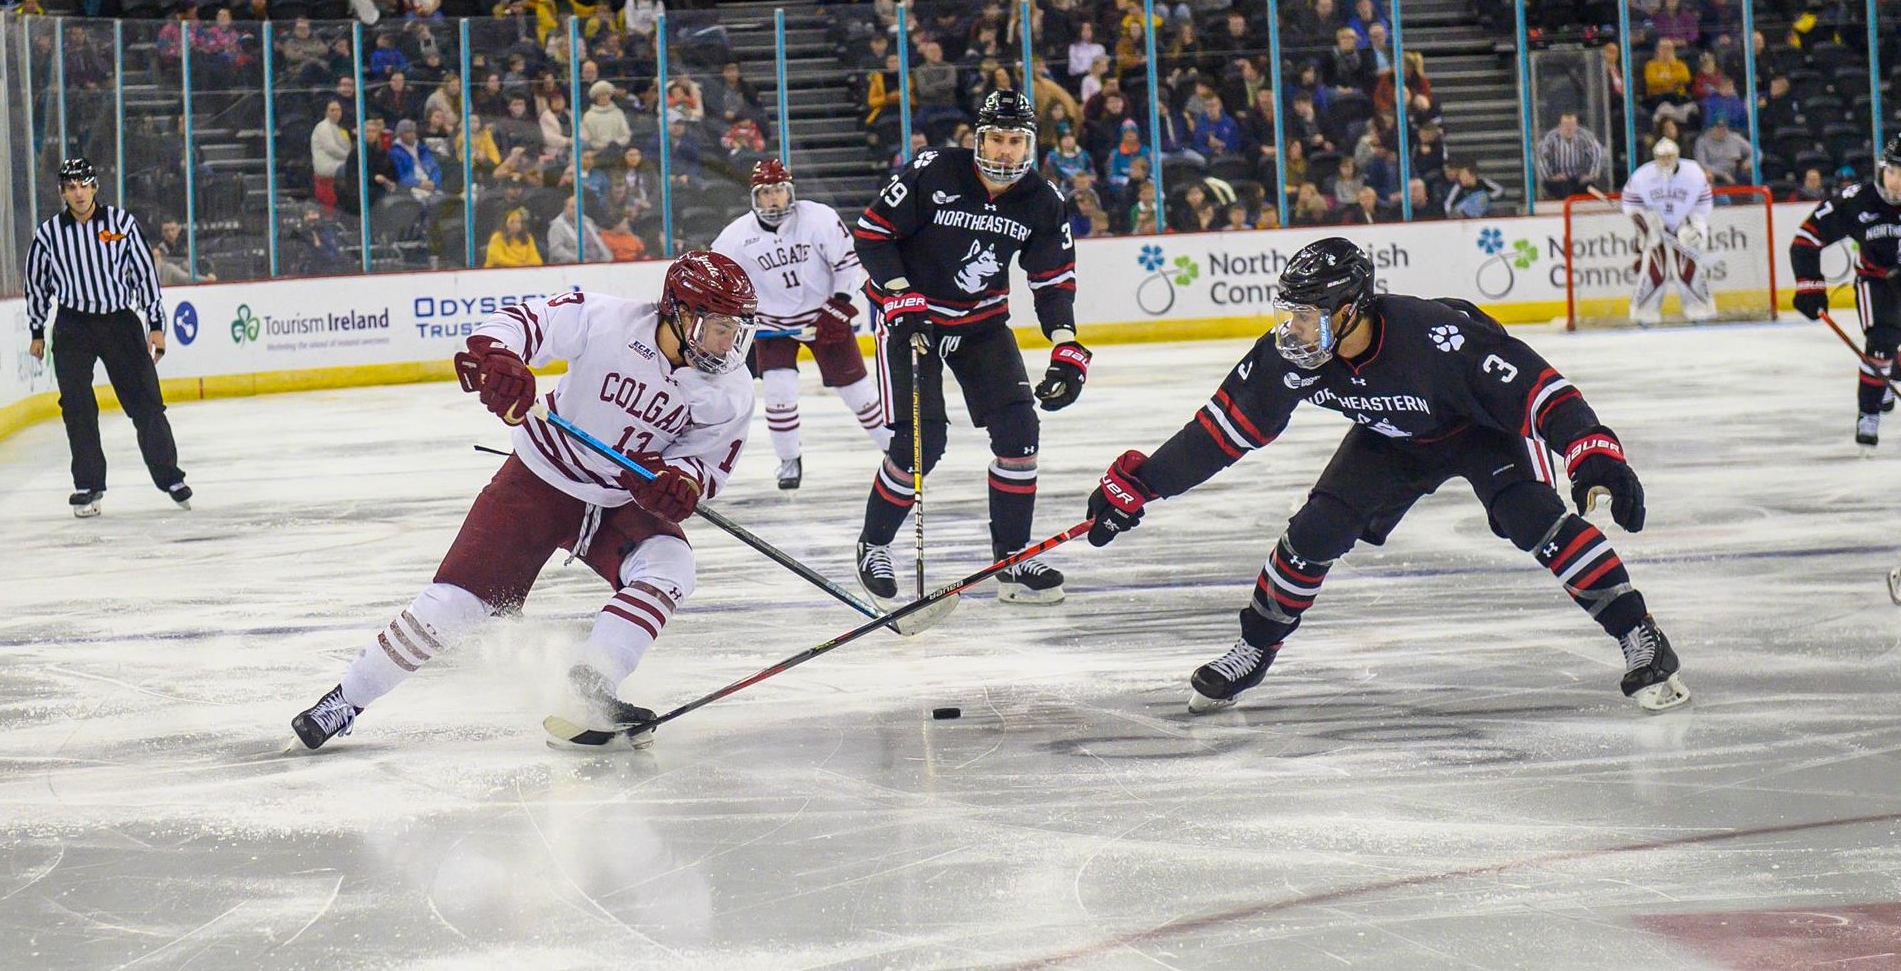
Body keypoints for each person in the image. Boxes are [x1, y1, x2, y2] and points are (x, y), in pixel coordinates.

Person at [1083, 237, 1689, 716]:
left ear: (1352, 312)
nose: (1294, 330)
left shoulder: (1440, 340)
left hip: (1479, 430)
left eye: (1309, 316)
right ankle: (1255, 648)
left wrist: (1593, 453)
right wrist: (1140, 485)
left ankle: (1640, 634)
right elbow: (1220, 432)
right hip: (1392, 438)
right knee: (1313, 535)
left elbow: (1540, 391)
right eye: (1289, 315)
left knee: (1529, 518)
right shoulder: (1295, 355)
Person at [290, 252, 760, 751]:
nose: (727, 342)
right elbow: (520, 322)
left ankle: (592, 686)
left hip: (620, 500)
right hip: (538, 483)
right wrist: (500, 358)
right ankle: (345, 700)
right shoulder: (607, 321)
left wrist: (679, 482)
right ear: (679, 313)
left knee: (670, 567)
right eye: (718, 326)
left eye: (736, 329)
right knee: (458, 604)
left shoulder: (730, 390)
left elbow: (707, 465)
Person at [850, 90, 1086, 609]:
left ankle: (1011, 558)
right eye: (997, 139)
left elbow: (1052, 279)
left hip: (981, 326)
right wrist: (898, 291)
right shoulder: (933, 171)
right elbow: (871, 235)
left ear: (1031, 144)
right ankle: (874, 544)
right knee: (921, 441)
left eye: (1016, 141)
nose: (1005, 152)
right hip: (914, 321)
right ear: (978, 138)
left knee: (1020, 431)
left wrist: (1066, 345)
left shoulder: (1042, 200)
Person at [23, 158, 192, 517]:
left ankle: (170, 477)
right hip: (73, 326)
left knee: (146, 401)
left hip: (119, 323)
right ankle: (88, 484)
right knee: (77, 406)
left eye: (84, 185)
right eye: (71, 187)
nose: (78, 193)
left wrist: (157, 324)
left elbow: (145, 276)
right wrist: (36, 329)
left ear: (95, 187)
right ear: (62, 192)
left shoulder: (121, 224)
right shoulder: (49, 234)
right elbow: (37, 285)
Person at [712, 160, 892, 490]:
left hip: (822, 316)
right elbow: (720, 283)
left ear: (790, 191)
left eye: (779, 190)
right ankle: (789, 460)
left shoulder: (818, 218)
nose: (773, 199)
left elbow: (848, 264)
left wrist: (838, 306)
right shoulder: (735, 237)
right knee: (778, 394)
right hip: (773, 326)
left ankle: (894, 451)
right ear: (754, 197)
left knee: (859, 393)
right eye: (765, 192)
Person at [1790, 133, 1901, 450]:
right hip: (1875, 282)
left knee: (1888, 354)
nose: (1895, 182)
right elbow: (1807, 238)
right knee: (1881, 342)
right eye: (1891, 171)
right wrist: (1810, 286)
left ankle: (1887, 374)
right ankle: (1869, 413)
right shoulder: (1858, 200)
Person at [1621, 138, 1716, 325]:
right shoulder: (1642, 175)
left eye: (1670, 156)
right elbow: (1630, 204)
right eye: (1662, 157)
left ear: (1677, 155)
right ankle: (1644, 314)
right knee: (1655, 270)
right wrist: (1646, 224)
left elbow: (1703, 203)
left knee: (1688, 270)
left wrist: (1695, 227)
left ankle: (1699, 310)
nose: (1666, 160)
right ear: (1655, 157)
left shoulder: (1693, 172)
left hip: (1683, 224)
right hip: (1655, 226)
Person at [1536, 112, 1605, 201]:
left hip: (1581, 180)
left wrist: (1591, 174)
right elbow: (1541, 156)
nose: (1569, 128)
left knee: (1592, 191)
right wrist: (1551, 176)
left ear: (1576, 126)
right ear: (1559, 126)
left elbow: (1597, 153)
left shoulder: (1585, 136)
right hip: (1559, 182)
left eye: (1572, 125)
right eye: (1565, 125)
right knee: (1562, 190)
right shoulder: (1550, 138)